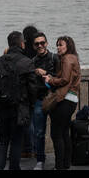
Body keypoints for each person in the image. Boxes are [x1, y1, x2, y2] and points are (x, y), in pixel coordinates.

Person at [0, 30, 36, 170]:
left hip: (2, 108)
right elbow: (32, 88)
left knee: (2, 142)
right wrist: (30, 106)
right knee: (16, 142)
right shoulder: (26, 62)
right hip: (19, 108)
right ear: (22, 44)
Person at [41, 36, 82, 170]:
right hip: (72, 100)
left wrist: (50, 80)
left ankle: (60, 166)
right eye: (57, 45)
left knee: (56, 134)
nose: (58, 47)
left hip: (64, 100)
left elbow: (64, 80)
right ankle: (65, 165)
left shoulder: (67, 59)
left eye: (61, 45)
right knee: (64, 133)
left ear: (68, 46)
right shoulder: (74, 58)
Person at [25, 29, 59, 169]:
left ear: (47, 43)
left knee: (57, 132)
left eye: (42, 43)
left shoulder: (55, 58)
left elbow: (61, 77)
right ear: (33, 46)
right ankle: (40, 160)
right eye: (37, 44)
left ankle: (60, 160)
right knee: (39, 133)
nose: (40, 46)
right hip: (39, 100)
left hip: (54, 98)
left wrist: (47, 73)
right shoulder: (32, 62)